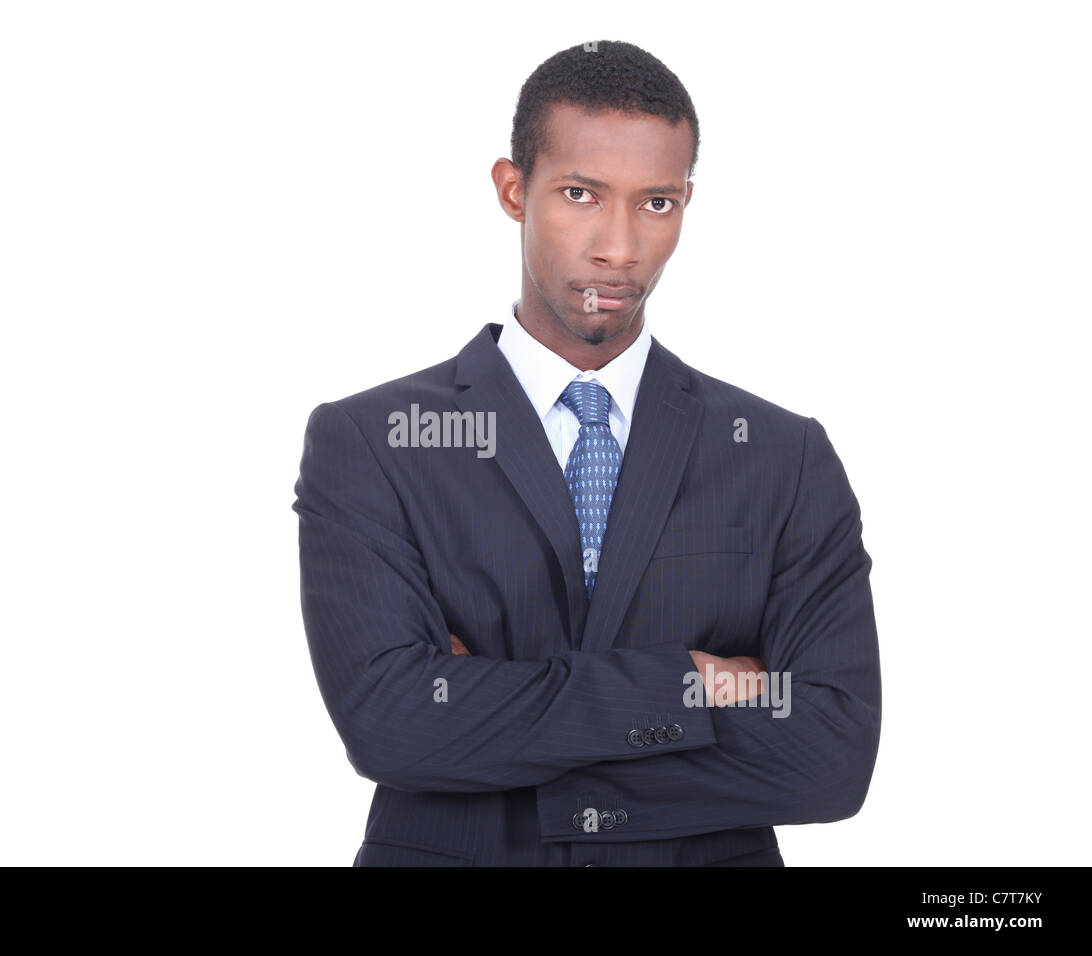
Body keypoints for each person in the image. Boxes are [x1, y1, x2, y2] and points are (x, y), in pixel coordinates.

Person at [292, 39, 880, 866]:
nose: (619, 247)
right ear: (512, 190)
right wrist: (695, 682)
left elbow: (830, 759)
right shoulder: (373, 441)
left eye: (657, 204)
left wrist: (491, 717)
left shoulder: (783, 456)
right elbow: (393, 725)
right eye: (580, 194)